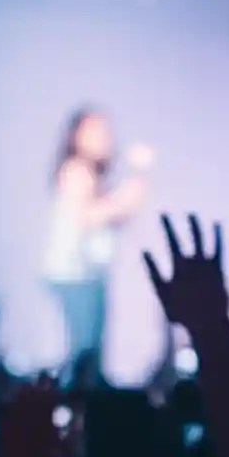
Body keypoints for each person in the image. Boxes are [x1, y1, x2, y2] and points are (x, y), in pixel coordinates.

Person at [44, 109, 149, 363]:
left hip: (86, 274)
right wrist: (133, 182)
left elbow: (117, 215)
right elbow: (88, 217)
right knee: (85, 351)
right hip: (76, 274)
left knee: (89, 348)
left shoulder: (88, 174)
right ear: (75, 136)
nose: (104, 138)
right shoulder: (76, 171)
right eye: (95, 130)